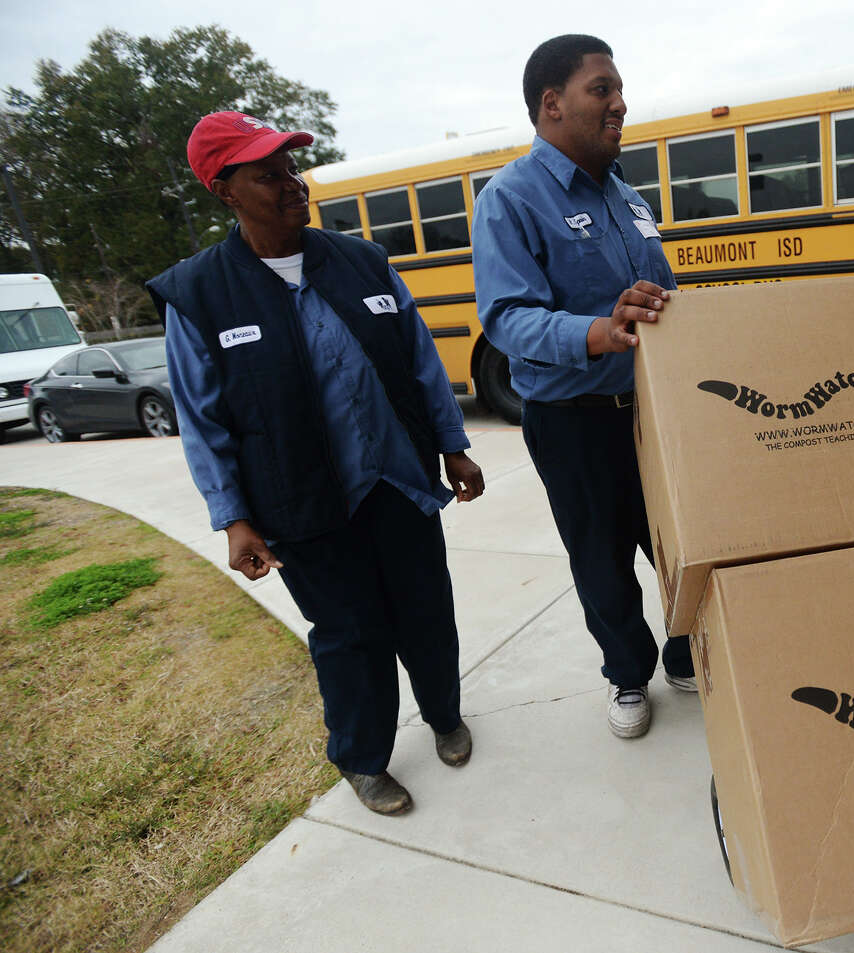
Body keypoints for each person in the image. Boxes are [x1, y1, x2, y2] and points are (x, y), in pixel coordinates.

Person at [147, 111, 485, 816]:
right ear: (224, 190)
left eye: (290, 168)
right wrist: (233, 516)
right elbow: (202, 418)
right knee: (348, 635)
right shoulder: (200, 293)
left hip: (398, 485)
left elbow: (422, 362)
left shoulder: (362, 261)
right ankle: (363, 758)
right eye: (266, 174)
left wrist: (454, 446)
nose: (290, 183)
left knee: (426, 612)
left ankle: (445, 715)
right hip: (301, 503)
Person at [472, 35, 694, 741]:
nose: (620, 102)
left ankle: (688, 652)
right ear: (552, 104)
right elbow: (507, 319)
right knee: (601, 558)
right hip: (574, 419)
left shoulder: (627, 197)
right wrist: (599, 330)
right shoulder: (510, 200)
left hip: (654, 411)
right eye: (602, 89)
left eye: (619, 88)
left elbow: (666, 298)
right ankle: (628, 673)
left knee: (677, 544)